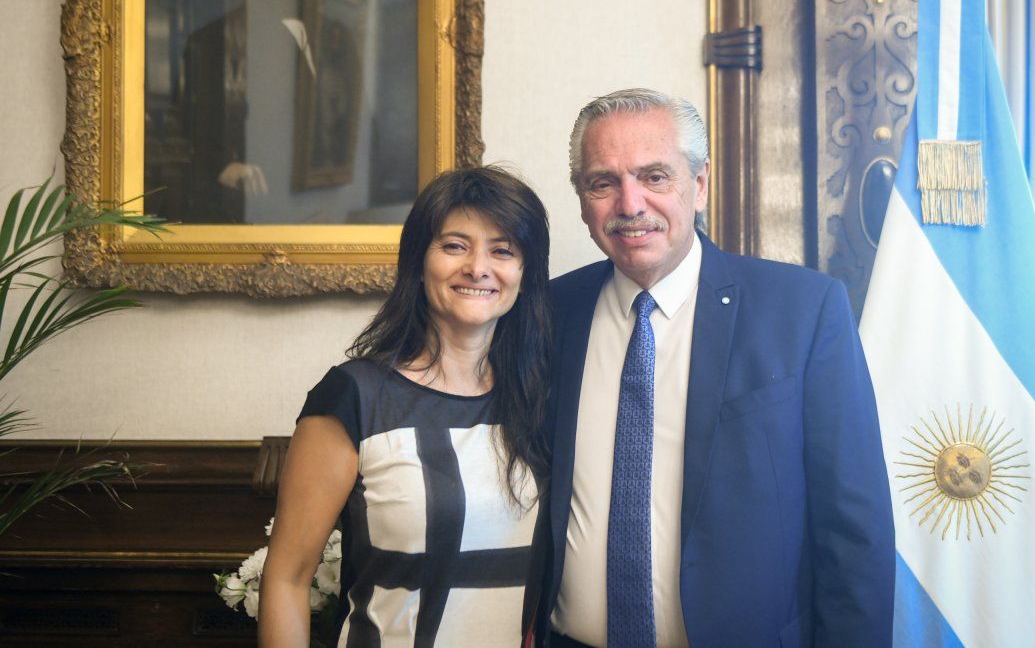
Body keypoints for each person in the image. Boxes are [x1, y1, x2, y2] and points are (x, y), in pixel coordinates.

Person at [537, 89, 894, 647]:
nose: (630, 205)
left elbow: (855, 530)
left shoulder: (803, 310)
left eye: (655, 177)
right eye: (603, 182)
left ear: (699, 185)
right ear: (583, 200)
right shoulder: (549, 314)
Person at [259, 165, 552, 646]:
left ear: (525, 274)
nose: (478, 267)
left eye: (503, 250)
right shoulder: (354, 398)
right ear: (419, 261)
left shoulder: (541, 397)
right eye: (454, 245)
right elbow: (287, 579)